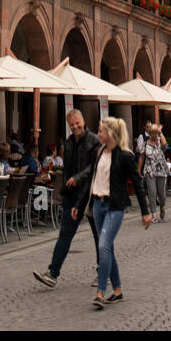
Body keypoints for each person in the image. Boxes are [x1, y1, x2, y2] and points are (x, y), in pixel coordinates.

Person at [74, 116, 151, 309]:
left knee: (103, 246)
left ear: (110, 133)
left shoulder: (125, 155)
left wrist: (145, 211)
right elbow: (91, 181)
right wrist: (80, 204)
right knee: (108, 247)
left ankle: (100, 292)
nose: (98, 134)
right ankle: (117, 291)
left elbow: (138, 184)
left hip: (114, 207)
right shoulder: (99, 152)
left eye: (100, 131)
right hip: (98, 205)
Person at [33, 108, 100, 288]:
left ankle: (103, 272)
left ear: (83, 121)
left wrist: (77, 179)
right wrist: (64, 190)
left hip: (90, 194)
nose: (75, 127)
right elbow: (68, 168)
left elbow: (94, 167)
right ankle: (52, 274)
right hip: (72, 196)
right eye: (72, 125)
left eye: (77, 123)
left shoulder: (94, 140)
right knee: (65, 235)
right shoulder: (69, 143)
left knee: (98, 236)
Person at [138, 124, 168, 221]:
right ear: (150, 133)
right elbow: (142, 157)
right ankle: (154, 214)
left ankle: (162, 207)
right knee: (152, 192)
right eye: (152, 133)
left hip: (161, 170)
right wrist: (139, 170)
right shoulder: (146, 143)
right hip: (149, 170)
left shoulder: (160, 142)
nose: (154, 135)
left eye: (156, 133)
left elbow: (164, 144)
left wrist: (161, 132)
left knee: (162, 194)